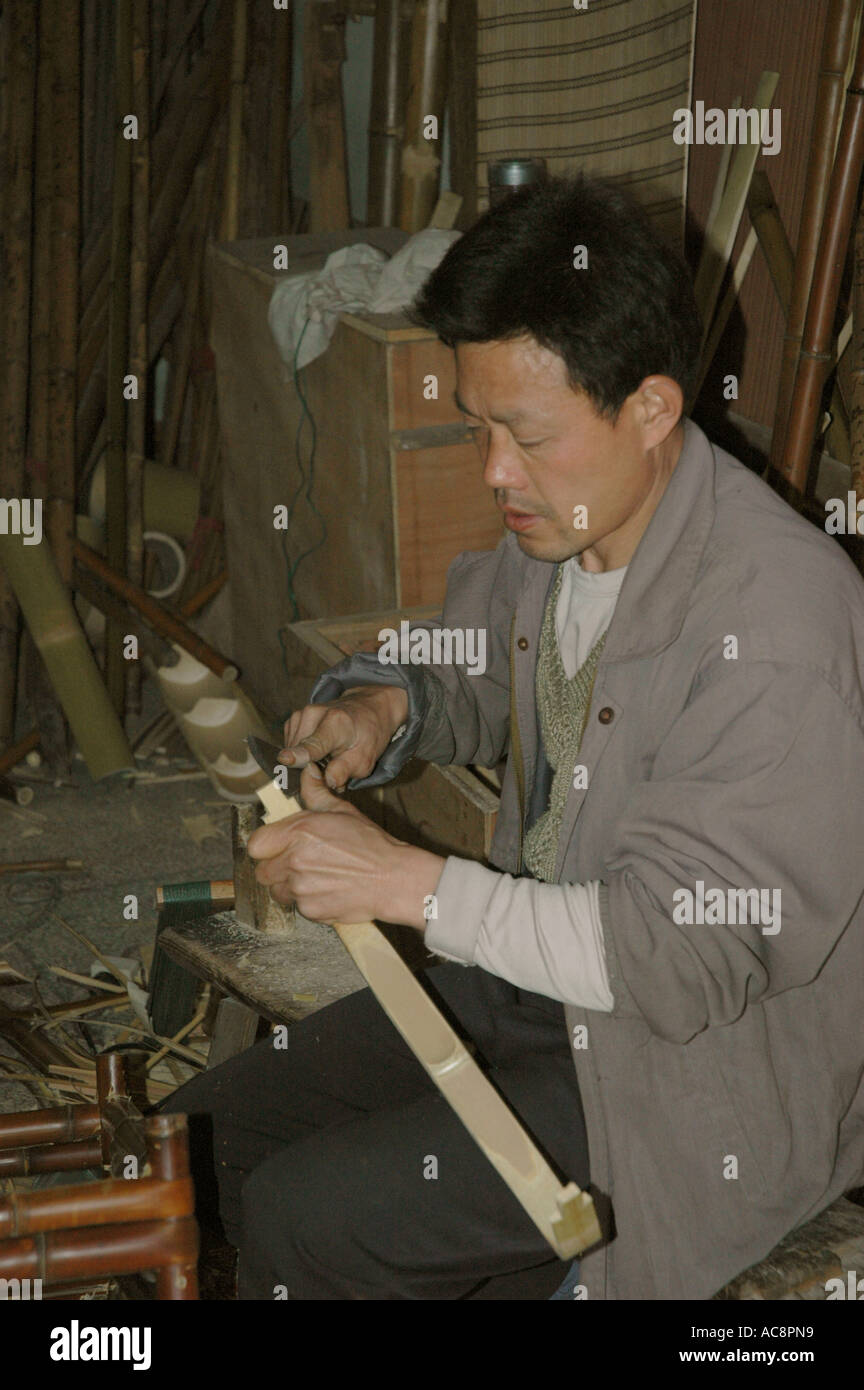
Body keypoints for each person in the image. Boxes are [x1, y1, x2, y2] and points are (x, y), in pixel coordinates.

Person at [166, 173, 864, 1300]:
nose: (494, 472)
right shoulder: (572, 529)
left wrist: (408, 882)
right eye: (478, 426)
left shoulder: (778, 625)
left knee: (309, 1219)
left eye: (526, 435)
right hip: (529, 991)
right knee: (204, 1144)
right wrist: (383, 706)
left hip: (685, 1075)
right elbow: (478, 658)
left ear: (649, 407)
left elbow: (676, 956)